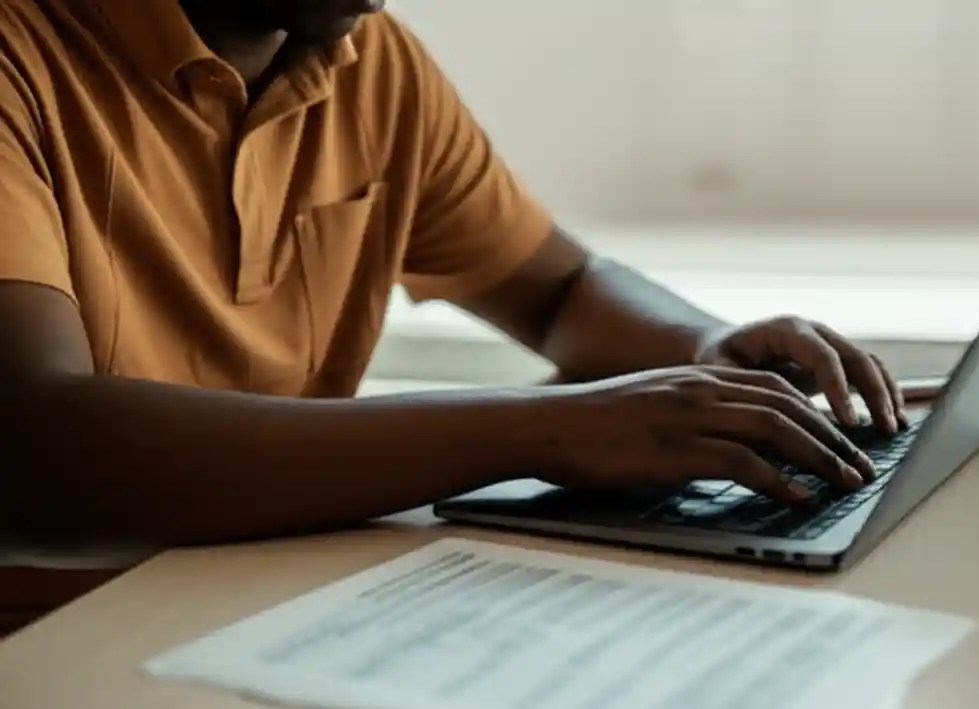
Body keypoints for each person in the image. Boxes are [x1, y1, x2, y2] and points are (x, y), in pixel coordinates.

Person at [0, 0, 908, 631]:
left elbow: (557, 289)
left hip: (262, 597)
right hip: (57, 638)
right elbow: (37, 450)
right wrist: (540, 429)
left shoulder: (369, 62)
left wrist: (701, 348)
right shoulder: (22, 54)